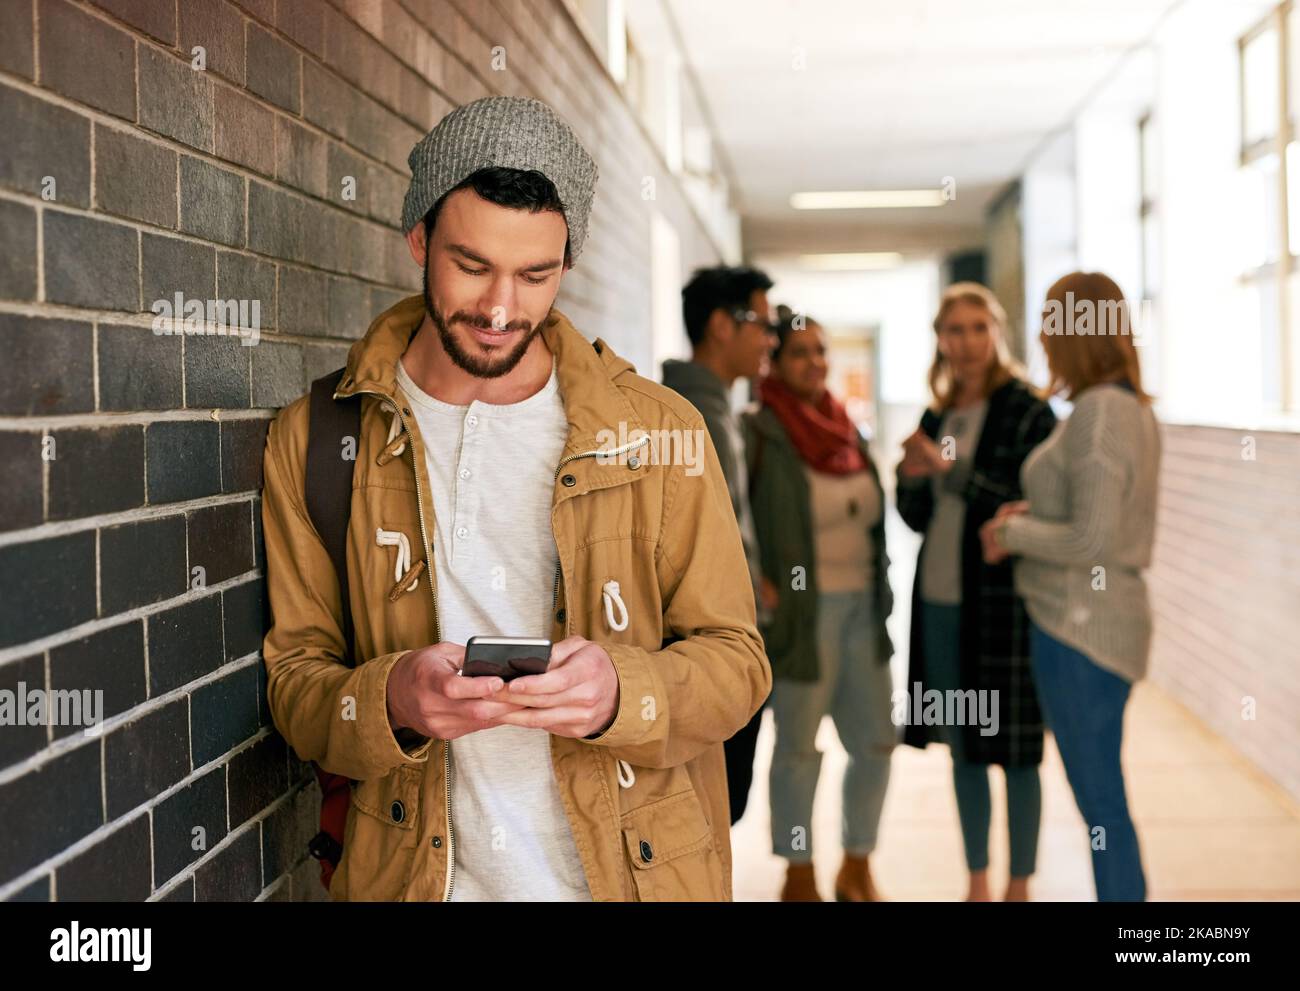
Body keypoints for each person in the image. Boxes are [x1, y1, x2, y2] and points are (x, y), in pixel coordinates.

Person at [260, 95, 770, 902]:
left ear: (567, 263)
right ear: (419, 239)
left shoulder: (659, 431)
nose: (501, 308)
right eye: (472, 266)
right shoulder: (319, 437)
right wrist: (392, 697)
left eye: (536, 275)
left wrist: (622, 690)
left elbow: (738, 663)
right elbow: (296, 684)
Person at [981, 271, 1160, 902]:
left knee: (1101, 803)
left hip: (1082, 630)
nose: (1043, 338)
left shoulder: (1099, 412)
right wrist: (1031, 516)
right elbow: (1098, 516)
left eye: (1050, 322)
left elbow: (1091, 541)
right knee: (1101, 798)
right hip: (1098, 624)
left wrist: (1011, 534)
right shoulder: (1125, 407)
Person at [896, 282, 1057, 901]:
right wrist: (911, 477)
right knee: (962, 745)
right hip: (939, 601)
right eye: (954, 330)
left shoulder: (1027, 410)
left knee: (1015, 747)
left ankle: (1020, 884)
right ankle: (978, 882)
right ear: (940, 340)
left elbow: (1031, 503)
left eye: (978, 328)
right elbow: (916, 516)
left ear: (997, 333)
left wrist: (951, 470)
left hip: (1003, 605)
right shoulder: (937, 415)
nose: (966, 342)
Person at [745, 308, 895, 902]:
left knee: (877, 741)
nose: (814, 362)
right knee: (799, 748)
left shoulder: (848, 429)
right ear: (776, 363)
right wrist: (753, 578)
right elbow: (734, 513)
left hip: (865, 609)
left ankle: (857, 863)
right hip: (803, 617)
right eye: (800, 352)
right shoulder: (760, 431)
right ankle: (798, 870)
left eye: (821, 350)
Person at [663, 265, 777, 826]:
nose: (771, 340)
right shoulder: (690, 412)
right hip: (706, 647)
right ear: (721, 326)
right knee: (714, 809)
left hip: (724, 633)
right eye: (762, 324)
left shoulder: (717, 406)